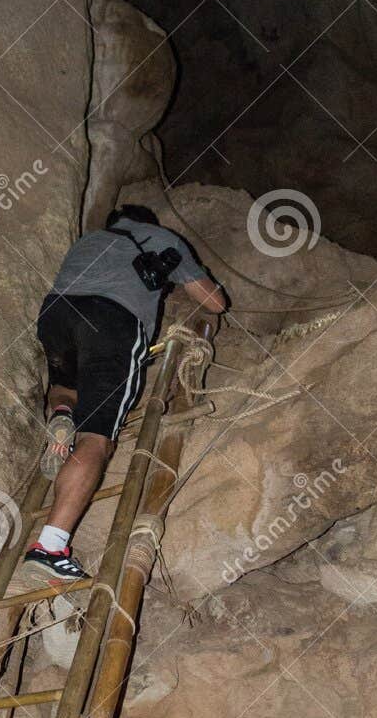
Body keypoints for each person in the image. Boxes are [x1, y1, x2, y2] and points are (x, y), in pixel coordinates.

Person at [23, 205, 226, 584]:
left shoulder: (89, 240)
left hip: (57, 313)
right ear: (148, 222)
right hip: (112, 322)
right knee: (97, 440)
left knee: (65, 382)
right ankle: (49, 548)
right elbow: (214, 302)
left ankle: (62, 413)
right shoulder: (163, 239)